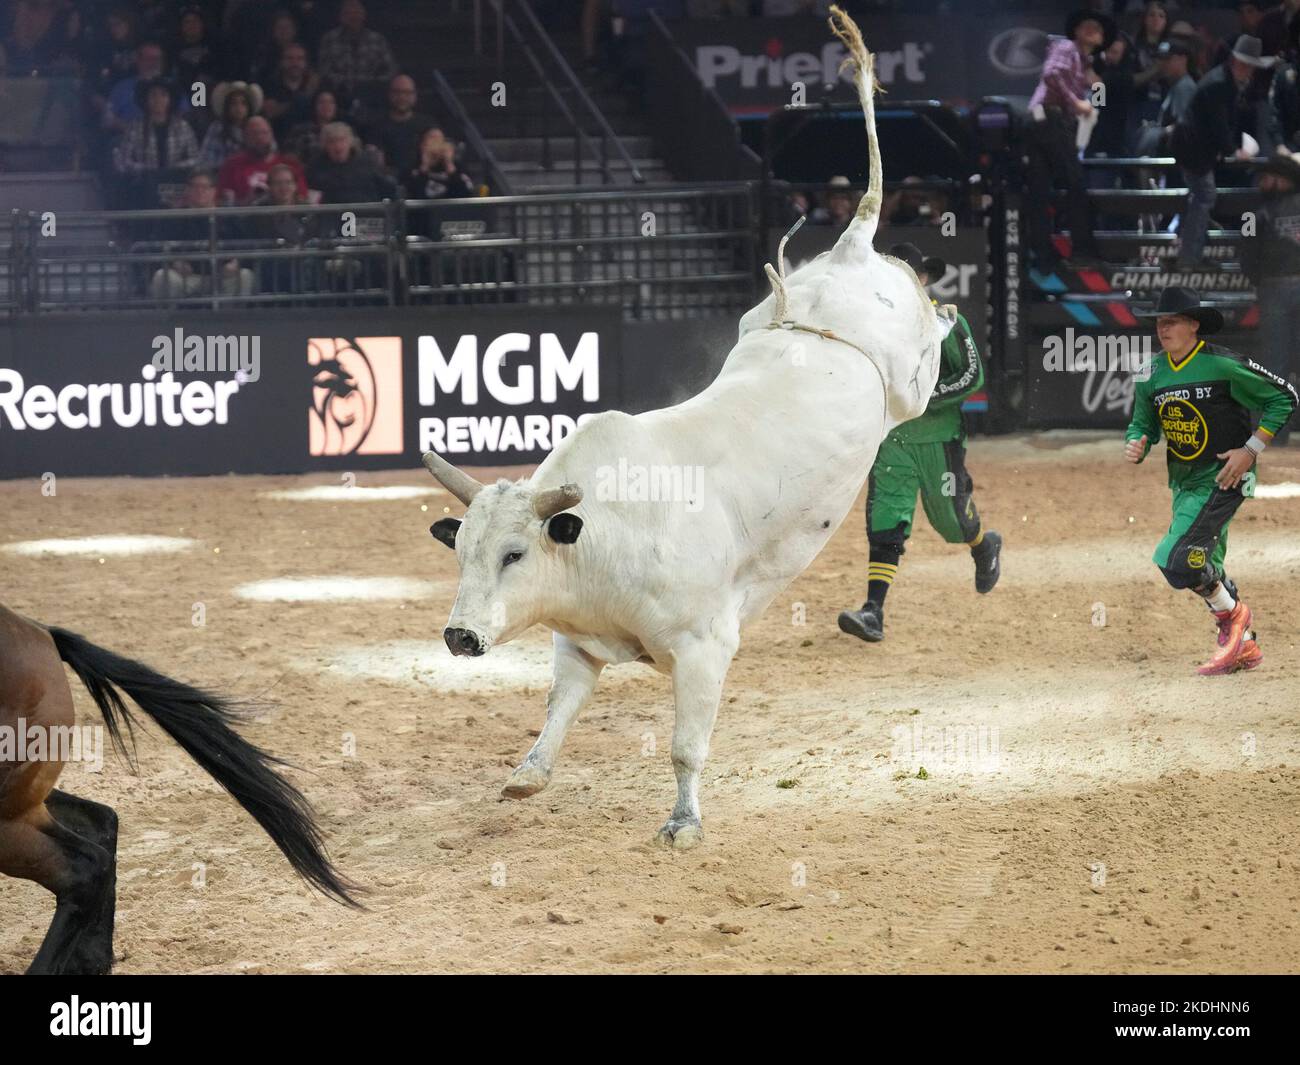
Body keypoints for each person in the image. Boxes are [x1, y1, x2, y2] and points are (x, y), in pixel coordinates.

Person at [1124, 286, 1297, 675]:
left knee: (1176, 560)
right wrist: (1137, 440)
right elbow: (1142, 422)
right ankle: (1245, 647)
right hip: (1183, 484)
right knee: (1201, 561)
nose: (1162, 329)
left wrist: (1250, 449)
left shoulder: (1223, 365)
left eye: (1171, 322)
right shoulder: (1150, 371)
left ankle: (1233, 616)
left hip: (1223, 479)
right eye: (1159, 323)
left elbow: (1284, 397)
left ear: (1193, 325)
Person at [838, 243, 1002, 644]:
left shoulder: (944, 320)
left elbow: (971, 374)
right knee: (886, 520)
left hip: (937, 438)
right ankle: (873, 611)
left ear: (923, 279)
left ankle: (982, 545)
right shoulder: (871, 323)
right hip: (893, 439)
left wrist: (923, 397)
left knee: (952, 522)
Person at [1171, 35, 1276, 268]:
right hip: (1193, 149)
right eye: (1244, 64)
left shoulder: (1224, 80)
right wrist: (1233, 151)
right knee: (1204, 196)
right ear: (1235, 61)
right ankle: (1189, 257)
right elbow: (1218, 125)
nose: (1247, 70)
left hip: (1197, 148)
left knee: (1201, 197)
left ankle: (1192, 250)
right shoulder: (1219, 84)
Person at [1023, 9, 1112, 271]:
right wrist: (1076, 103)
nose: (1093, 29)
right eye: (1088, 25)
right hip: (1050, 120)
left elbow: (1088, 84)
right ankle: (1082, 252)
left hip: (1039, 122)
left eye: (1098, 27)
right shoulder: (1067, 48)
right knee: (1075, 183)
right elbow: (1052, 74)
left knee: (1040, 191)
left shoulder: (1080, 60)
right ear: (1077, 30)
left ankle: (1043, 256)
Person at [1250, 147, 1300, 445]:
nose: (1262, 182)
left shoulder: (1258, 212)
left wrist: (1257, 280)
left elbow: (1247, 253)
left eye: (1268, 177)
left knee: (1275, 366)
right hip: (1279, 286)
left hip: (1275, 288)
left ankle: (1274, 436)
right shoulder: (1258, 211)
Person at [148, 169, 255, 299]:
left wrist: (238, 262)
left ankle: (232, 318)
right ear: (187, 190)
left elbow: (248, 246)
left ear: (214, 191)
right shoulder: (173, 218)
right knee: (162, 277)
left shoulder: (229, 217)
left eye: (205, 187)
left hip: (223, 275)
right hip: (187, 276)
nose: (200, 191)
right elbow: (155, 247)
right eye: (195, 187)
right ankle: (169, 319)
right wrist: (173, 262)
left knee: (244, 275)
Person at [112, 76, 198, 178]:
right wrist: (150, 171)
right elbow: (124, 161)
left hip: (176, 184)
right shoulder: (134, 128)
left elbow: (195, 160)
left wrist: (173, 170)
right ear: (146, 99)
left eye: (163, 95)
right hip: (144, 185)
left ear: (170, 99)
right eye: (153, 95)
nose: (158, 100)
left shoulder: (183, 127)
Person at [317, 0, 396, 103]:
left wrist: (372, 84)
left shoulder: (378, 40)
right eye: (349, 12)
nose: (353, 16)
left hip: (371, 97)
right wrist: (345, 83)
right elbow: (323, 70)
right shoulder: (329, 39)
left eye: (357, 12)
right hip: (339, 97)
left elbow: (391, 70)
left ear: (364, 15)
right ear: (341, 16)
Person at [217, 115, 307, 205]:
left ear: (272, 135)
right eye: (254, 133)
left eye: (264, 133)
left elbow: (302, 199)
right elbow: (223, 203)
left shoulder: (290, 165)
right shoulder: (231, 166)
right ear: (245, 137)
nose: (260, 138)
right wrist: (247, 201)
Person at [306, 121, 395, 203]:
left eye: (342, 140)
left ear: (350, 142)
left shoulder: (367, 163)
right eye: (332, 142)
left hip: (366, 215)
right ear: (324, 145)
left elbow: (386, 189)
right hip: (330, 216)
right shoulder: (315, 167)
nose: (338, 146)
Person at [367, 74, 437, 177]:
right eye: (397, 92)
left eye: (407, 92)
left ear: (415, 95)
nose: (402, 97)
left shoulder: (428, 124)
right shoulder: (377, 126)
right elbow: (377, 164)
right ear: (389, 94)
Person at [198, 81, 261, 170]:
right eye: (234, 103)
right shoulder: (217, 128)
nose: (238, 108)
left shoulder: (258, 126)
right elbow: (205, 160)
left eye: (243, 103)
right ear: (227, 106)